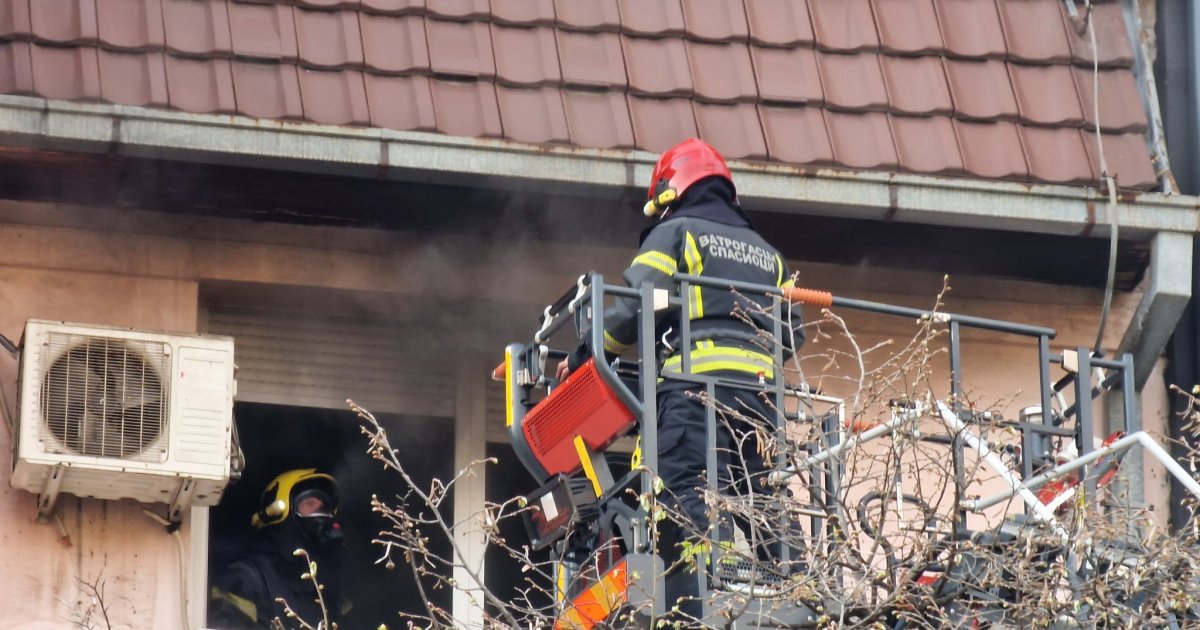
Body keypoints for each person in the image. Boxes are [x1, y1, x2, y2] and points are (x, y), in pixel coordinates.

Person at [556, 138, 804, 619]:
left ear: (672, 190)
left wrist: (587, 353)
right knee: (762, 491)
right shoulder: (771, 256)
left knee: (680, 482)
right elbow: (793, 334)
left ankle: (706, 579)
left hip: (694, 388)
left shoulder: (675, 233)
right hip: (760, 398)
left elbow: (633, 310)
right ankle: (797, 583)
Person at [209, 468, 347, 629]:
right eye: (310, 504)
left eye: (325, 508)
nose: (320, 514)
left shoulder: (327, 587)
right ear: (280, 512)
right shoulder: (247, 577)